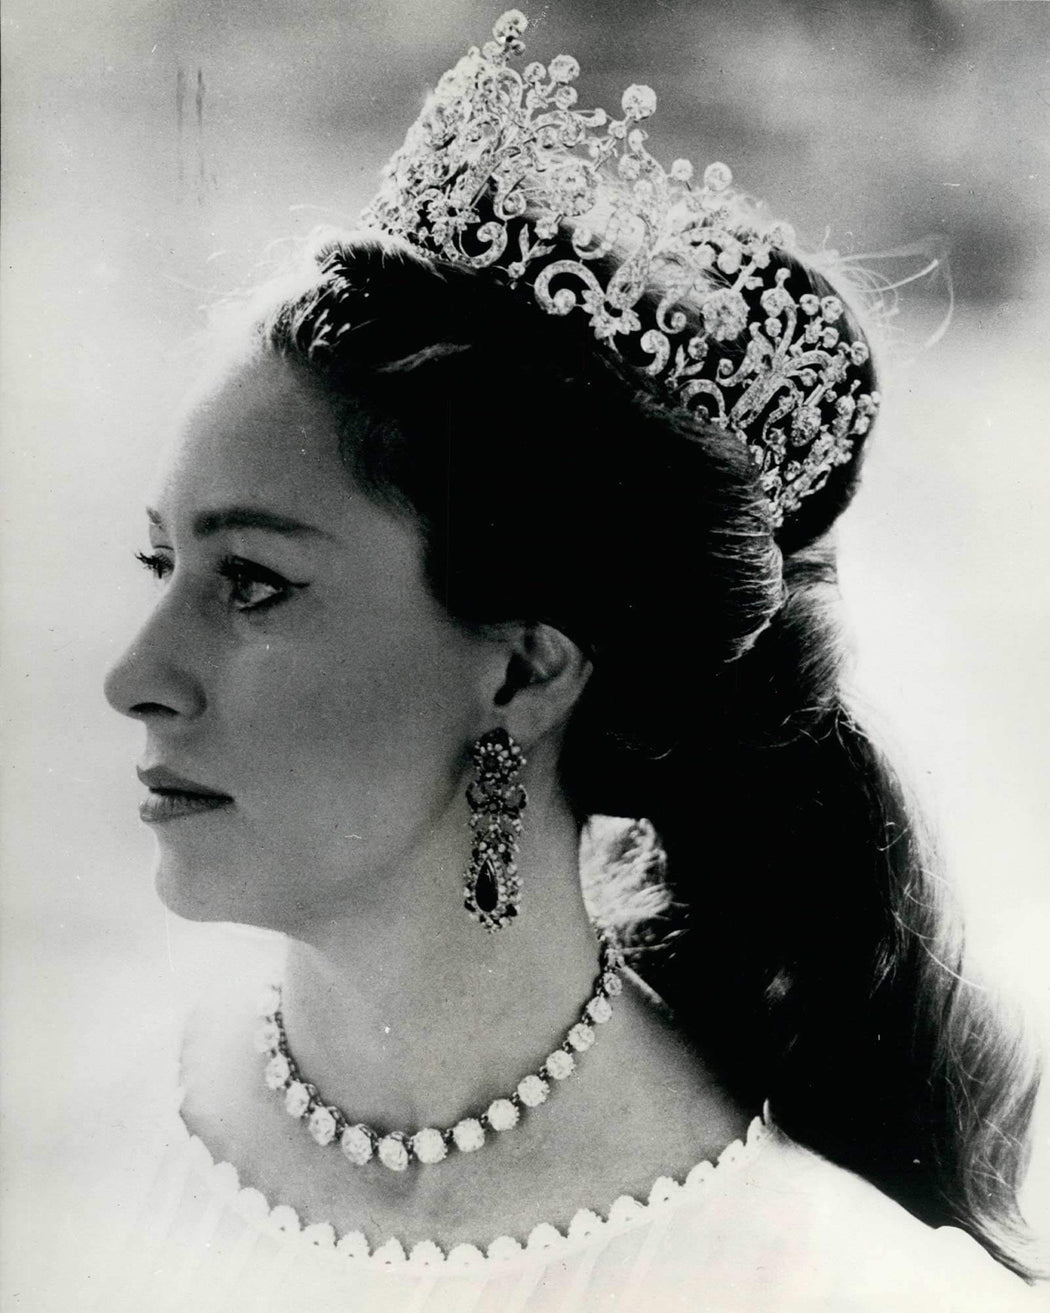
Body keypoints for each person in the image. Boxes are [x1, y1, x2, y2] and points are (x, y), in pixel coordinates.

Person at [98, 11, 1041, 1309]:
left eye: (252, 582)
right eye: (165, 570)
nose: (136, 676)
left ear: (525, 671)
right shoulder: (82, 1139)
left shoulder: (814, 1279)